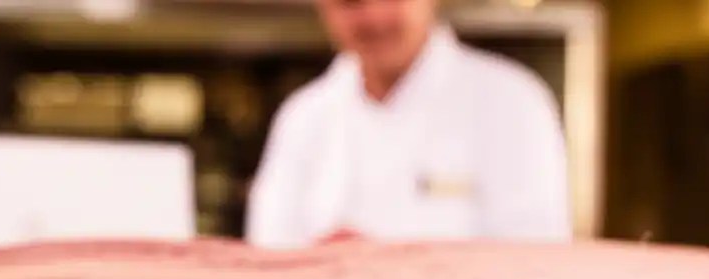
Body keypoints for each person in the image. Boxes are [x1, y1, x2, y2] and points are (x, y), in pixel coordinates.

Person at [245, 0, 571, 249]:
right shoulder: (302, 117)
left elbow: (537, 264)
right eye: (351, 1)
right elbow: (270, 256)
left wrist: (391, 272)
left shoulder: (512, 102)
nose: (374, 16)